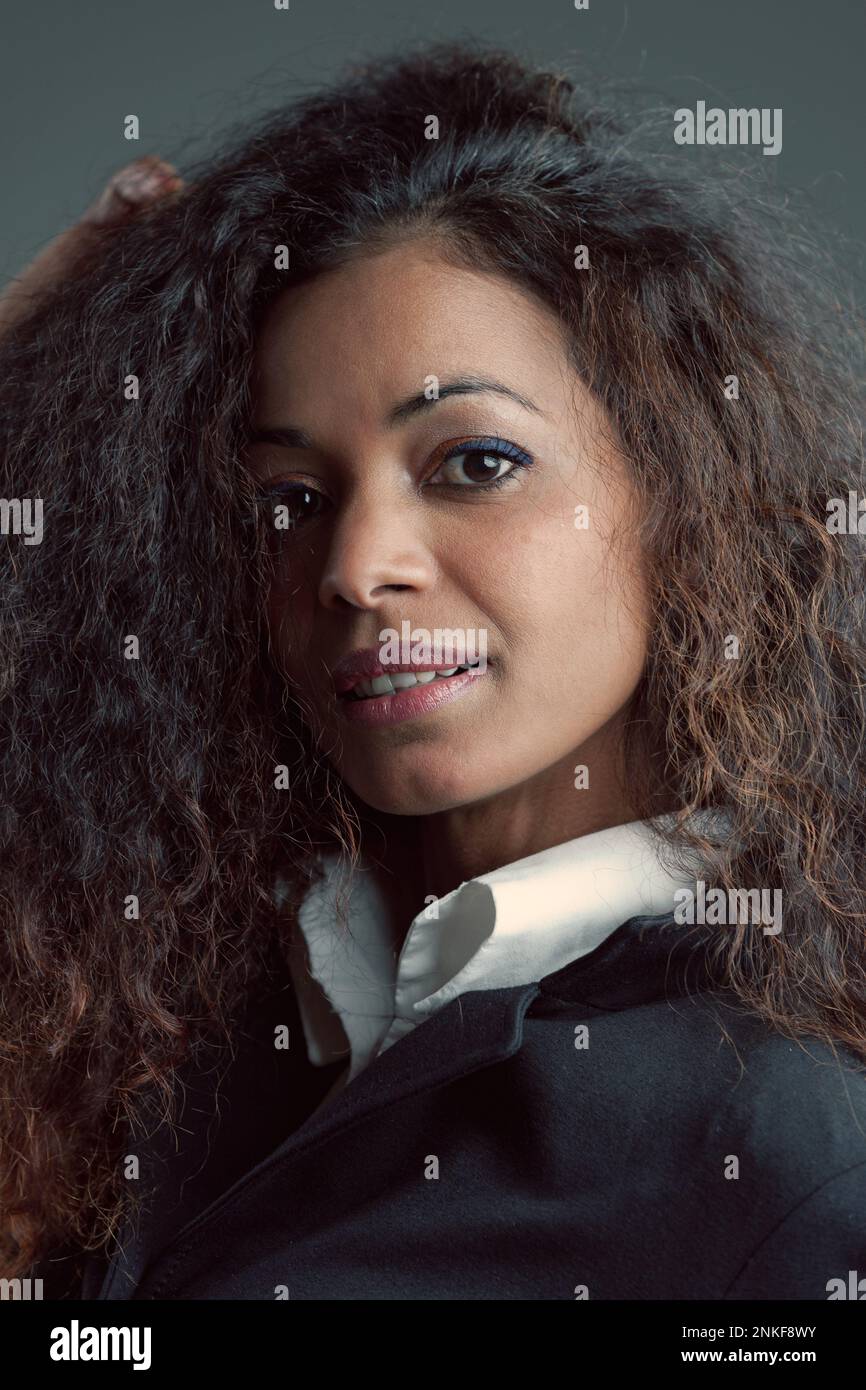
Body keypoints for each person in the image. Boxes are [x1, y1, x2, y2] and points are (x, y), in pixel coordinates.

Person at [2, 40, 865, 1302]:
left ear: (692, 499)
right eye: (287, 499)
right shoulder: (149, 1006)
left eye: (473, 463)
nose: (354, 567)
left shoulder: (780, 1161)